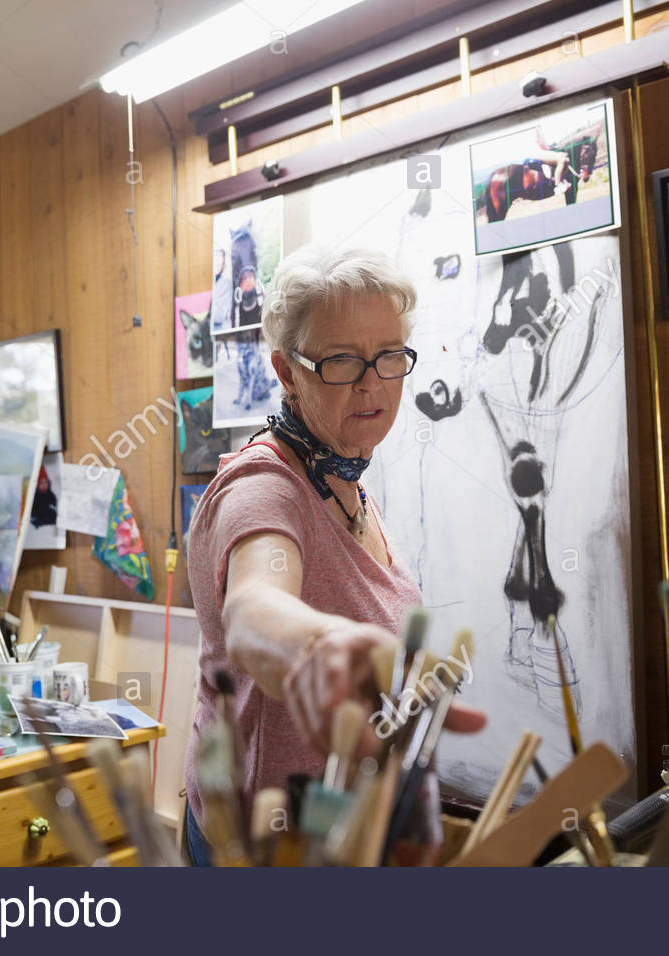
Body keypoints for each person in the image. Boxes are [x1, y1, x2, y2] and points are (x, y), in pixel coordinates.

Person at [182, 245, 486, 865]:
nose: (373, 381)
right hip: (264, 850)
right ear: (287, 371)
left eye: (389, 356)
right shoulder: (263, 488)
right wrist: (318, 645)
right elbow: (253, 607)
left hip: (347, 836)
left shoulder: (345, 480)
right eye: (343, 359)